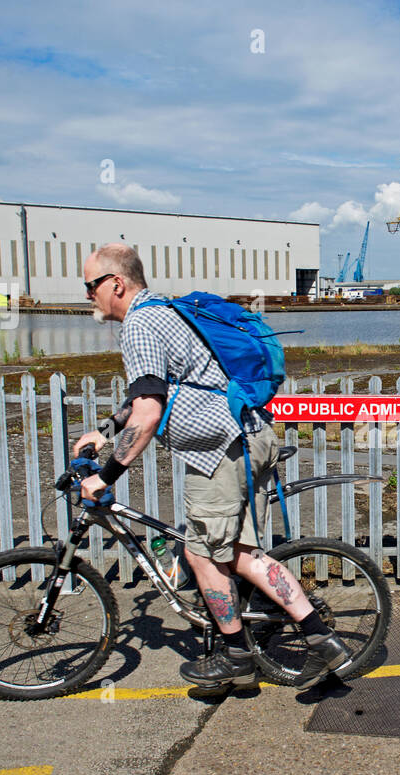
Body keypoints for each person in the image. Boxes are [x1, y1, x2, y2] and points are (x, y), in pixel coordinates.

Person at [73, 243, 350, 691]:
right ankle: (308, 642)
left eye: (91, 286)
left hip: (220, 452)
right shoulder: (163, 311)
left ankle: (245, 653)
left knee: (201, 554)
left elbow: (148, 413)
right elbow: (160, 390)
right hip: (246, 437)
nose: (88, 295)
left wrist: (104, 476)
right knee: (239, 555)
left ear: (116, 283)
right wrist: (106, 430)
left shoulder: (141, 323)